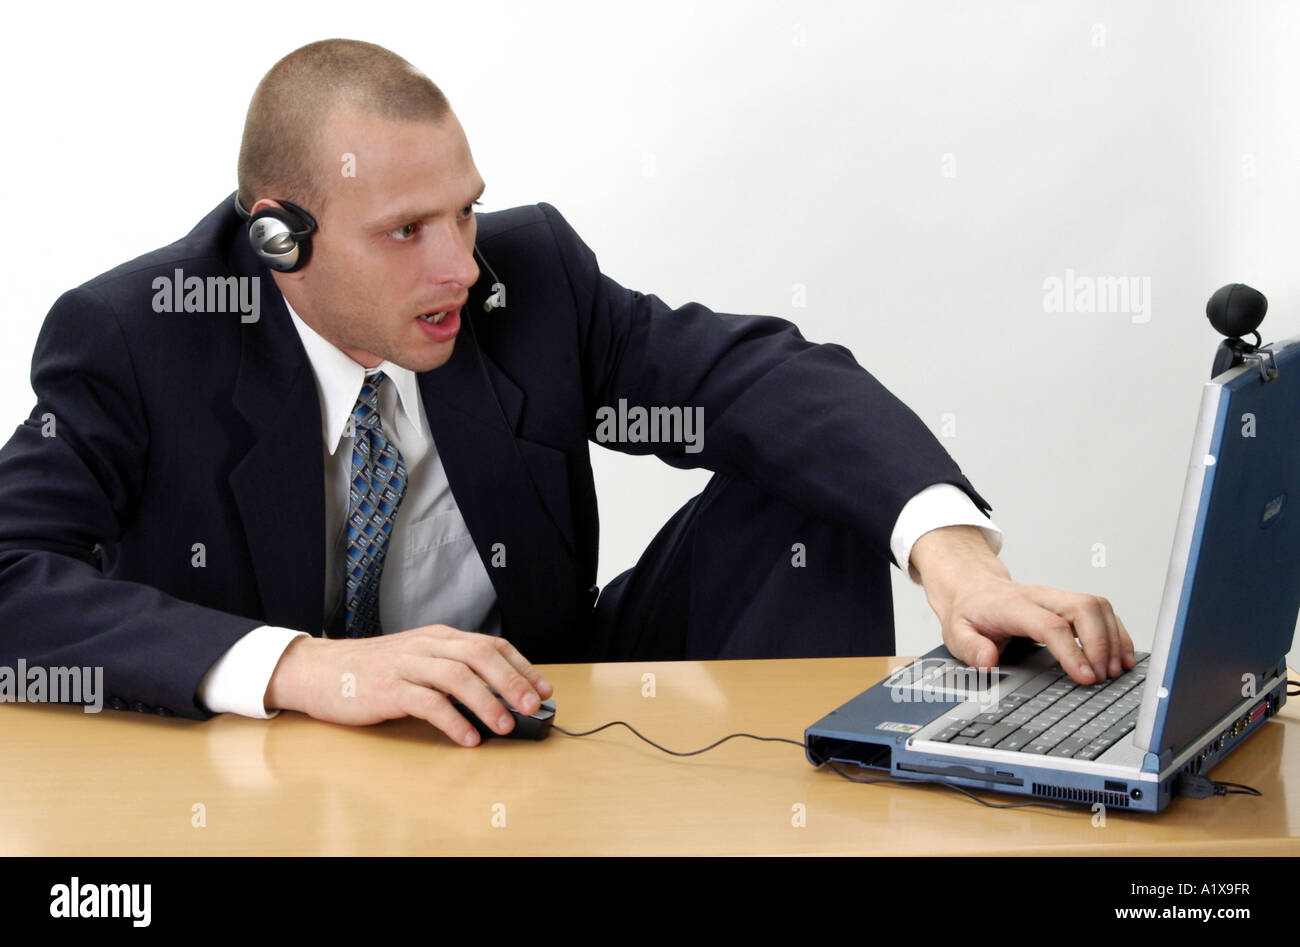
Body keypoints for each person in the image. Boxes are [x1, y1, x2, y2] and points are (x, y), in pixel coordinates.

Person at [0, 39, 1133, 747]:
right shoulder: (141, 334)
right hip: (265, 750)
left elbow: (757, 377)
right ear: (277, 237)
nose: (463, 267)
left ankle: (808, 821)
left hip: (536, 700)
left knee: (807, 486)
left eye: (465, 211)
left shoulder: (528, 276)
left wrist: (957, 559)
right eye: (406, 231)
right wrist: (305, 666)